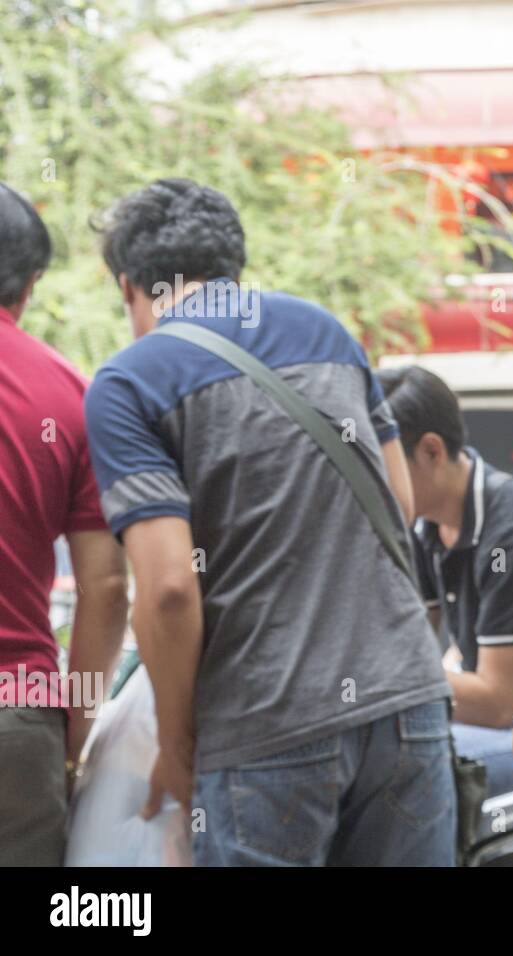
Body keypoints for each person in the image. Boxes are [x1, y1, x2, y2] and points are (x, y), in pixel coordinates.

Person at [84, 179, 455, 866]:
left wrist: (176, 746)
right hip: (406, 702)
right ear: (233, 266)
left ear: (130, 286)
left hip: (264, 728)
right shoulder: (328, 333)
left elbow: (168, 589)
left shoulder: (128, 382)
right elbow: (399, 506)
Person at [0, 183, 129, 866]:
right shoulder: (69, 393)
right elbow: (106, 588)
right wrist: (70, 739)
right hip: (14, 718)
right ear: (30, 283)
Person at [378, 365, 513, 797]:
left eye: (380, 466)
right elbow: (406, 642)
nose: (372, 485)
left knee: (399, 766)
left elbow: (497, 702)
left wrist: (369, 672)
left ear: (431, 451)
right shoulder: (426, 527)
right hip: (503, 729)